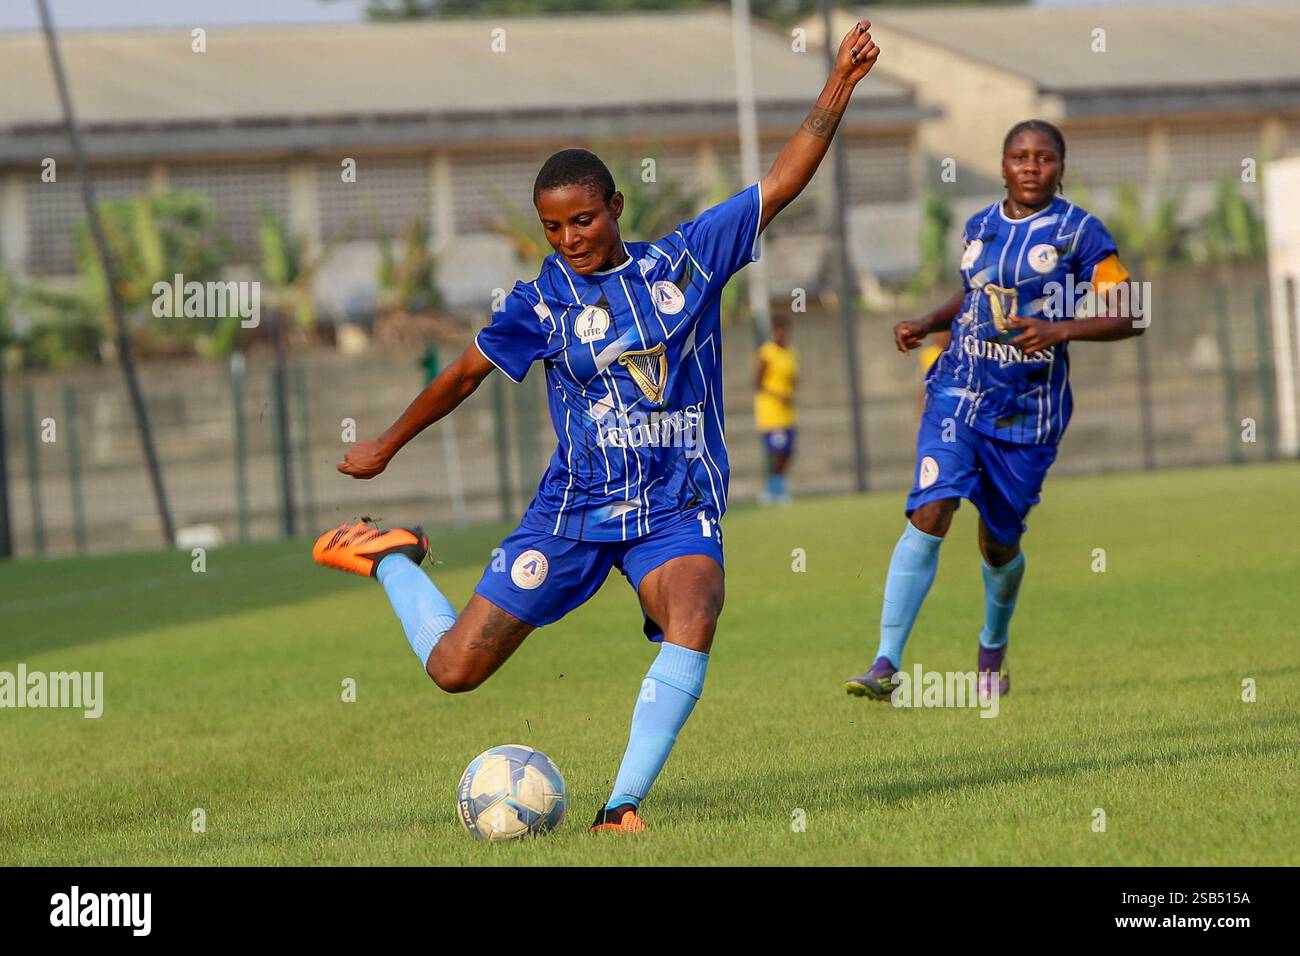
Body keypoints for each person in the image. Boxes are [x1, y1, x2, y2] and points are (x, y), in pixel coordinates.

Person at [312, 22, 882, 832]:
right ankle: (393, 558)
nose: (569, 239)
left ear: (614, 207)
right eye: (553, 227)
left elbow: (782, 183)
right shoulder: (539, 301)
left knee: (697, 609)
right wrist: (384, 445)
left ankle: (620, 808)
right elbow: (464, 374)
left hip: (675, 507)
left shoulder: (686, 260)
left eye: (582, 220)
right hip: (574, 513)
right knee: (454, 672)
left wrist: (838, 87)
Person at [846, 119, 1139, 701]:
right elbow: (977, 292)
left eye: (1044, 158)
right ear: (1003, 165)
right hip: (958, 390)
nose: (1031, 167)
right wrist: (931, 320)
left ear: (1061, 166)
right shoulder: (980, 224)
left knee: (998, 542)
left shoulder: (1080, 234)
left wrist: (1060, 330)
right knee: (931, 510)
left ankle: (992, 645)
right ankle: (885, 661)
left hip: (1027, 414)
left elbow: (1131, 312)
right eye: (1019, 156)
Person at [754, 316, 799, 504]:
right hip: (771, 410)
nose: (781, 334)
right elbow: (757, 382)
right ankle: (774, 490)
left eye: (784, 330)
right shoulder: (766, 353)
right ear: (773, 331)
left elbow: (794, 377)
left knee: (789, 451)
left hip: (787, 410)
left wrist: (791, 391)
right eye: (778, 330)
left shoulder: (791, 353)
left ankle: (774, 487)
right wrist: (778, 395)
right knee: (778, 452)